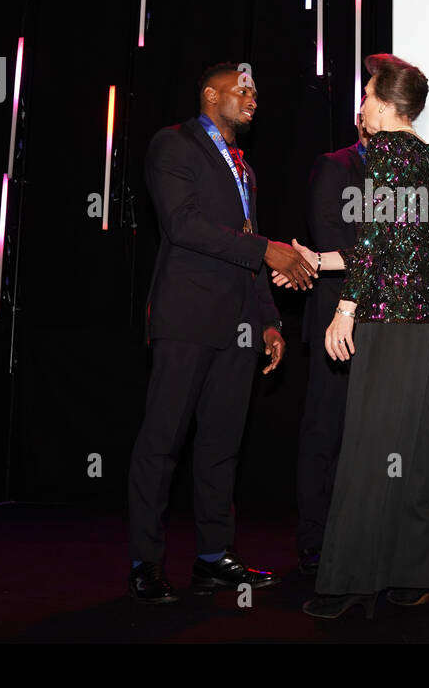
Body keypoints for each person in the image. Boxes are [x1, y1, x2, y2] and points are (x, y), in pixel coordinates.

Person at [275, 54, 429, 619]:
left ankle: (350, 581)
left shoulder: (383, 153)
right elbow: (400, 243)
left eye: (367, 96)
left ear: (386, 104)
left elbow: (378, 238)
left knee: (369, 452)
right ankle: (416, 574)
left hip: (391, 320)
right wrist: (319, 259)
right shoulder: (427, 157)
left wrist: (345, 309)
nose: (360, 107)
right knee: (422, 452)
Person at [127, 63, 316, 603]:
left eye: (256, 91)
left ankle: (213, 558)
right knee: (161, 443)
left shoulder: (245, 170)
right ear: (211, 95)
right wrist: (265, 250)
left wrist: (270, 322)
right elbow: (181, 225)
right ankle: (145, 562)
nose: (253, 99)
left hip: (237, 328)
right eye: (243, 90)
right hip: (185, 320)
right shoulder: (173, 145)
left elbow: (249, 247)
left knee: (220, 446)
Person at [295, 109, 369, 574]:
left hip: (384, 326)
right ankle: (314, 541)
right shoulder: (335, 166)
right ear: (364, 119)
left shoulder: (402, 173)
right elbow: (328, 243)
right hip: (335, 323)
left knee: (366, 439)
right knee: (326, 431)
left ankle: (358, 537)